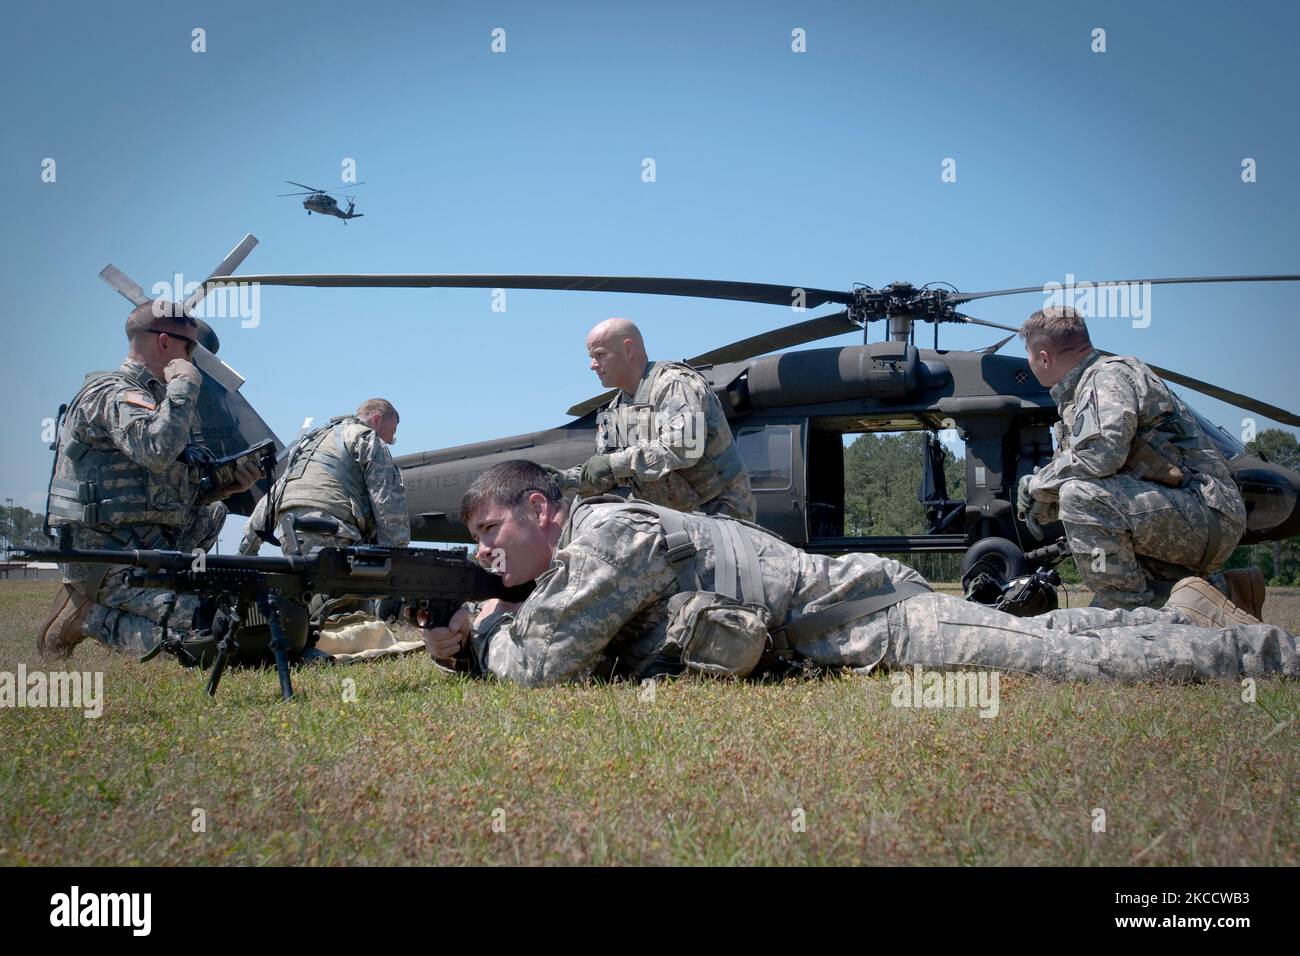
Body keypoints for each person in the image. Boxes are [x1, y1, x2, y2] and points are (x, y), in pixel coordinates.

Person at [421, 461, 1296, 687]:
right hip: (850, 607)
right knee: (1044, 632)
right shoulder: (588, 545)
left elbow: (545, 665)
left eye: (494, 532)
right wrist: (496, 606)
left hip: (869, 620)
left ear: (542, 509)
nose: (488, 555)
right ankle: (1188, 613)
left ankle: (1266, 657)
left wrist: (470, 641)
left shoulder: (605, 536)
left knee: (1059, 660)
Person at [37, 300, 261, 658]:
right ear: (163, 342)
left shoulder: (158, 402)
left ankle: (162, 592)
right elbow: (155, 450)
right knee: (204, 634)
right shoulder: (113, 394)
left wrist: (226, 484)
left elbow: (165, 485)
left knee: (214, 517)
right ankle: (88, 615)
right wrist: (185, 385)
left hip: (145, 545)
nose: (193, 360)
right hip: (102, 554)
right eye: (190, 349)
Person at [1016, 306, 1258, 615]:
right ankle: (1230, 593)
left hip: (1205, 510)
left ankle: (1132, 623)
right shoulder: (1082, 395)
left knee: (1080, 497)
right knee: (1118, 607)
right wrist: (1044, 502)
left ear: (1044, 357)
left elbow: (1101, 457)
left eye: (1029, 355)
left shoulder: (1107, 378)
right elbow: (1094, 471)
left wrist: (1037, 484)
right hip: (1186, 511)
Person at [557, 317, 755, 520]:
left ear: (628, 349)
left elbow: (684, 448)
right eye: (591, 356)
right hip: (670, 517)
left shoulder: (676, 384)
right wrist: (565, 479)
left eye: (600, 355)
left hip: (718, 514)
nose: (592, 365)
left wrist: (612, 463)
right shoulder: (616, 408)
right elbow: (605, 470)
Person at [239, 398, 409, 557]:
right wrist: (397, 555)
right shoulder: (368, 440)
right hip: (333, 532)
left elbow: (278, 490)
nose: (390, 440)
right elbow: (387, 501)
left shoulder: (310, 441)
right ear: (376, 419)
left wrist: (247, 549)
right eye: (392, 432)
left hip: (290, 533)